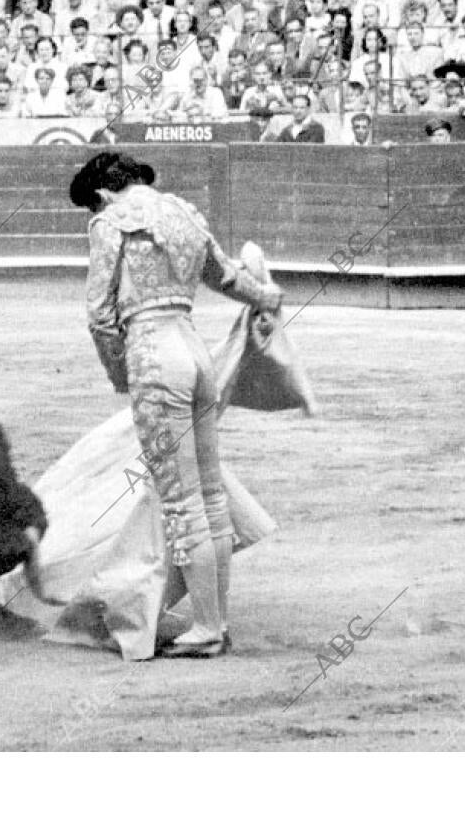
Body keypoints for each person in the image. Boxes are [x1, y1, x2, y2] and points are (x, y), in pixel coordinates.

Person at [75, 151, 283, 658]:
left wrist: (123, 376)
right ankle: (215, 622)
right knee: (209, 497)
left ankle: (207, 630)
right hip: (195, 352)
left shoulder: (110, 222)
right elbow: (229, 278)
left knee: (182, 501)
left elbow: (100, 316)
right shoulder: (183, 214)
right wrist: (268, 300)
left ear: (102, 193)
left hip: (153, 357)